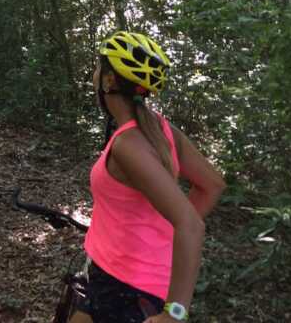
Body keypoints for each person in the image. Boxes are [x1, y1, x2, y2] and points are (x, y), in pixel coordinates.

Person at [71, 31, 226, 323]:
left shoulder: (128, 145)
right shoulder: (160, 127)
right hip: (114, 273)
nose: (94, 75)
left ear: (109, 80)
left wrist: (174, 313)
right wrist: (164, 237)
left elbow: (190, 224)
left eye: (98, 68)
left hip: (126, 288)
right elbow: (212, 186)